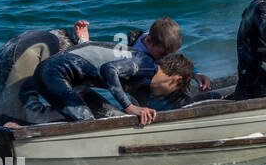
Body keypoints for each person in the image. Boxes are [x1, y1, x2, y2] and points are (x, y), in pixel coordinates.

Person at [14, 48, 195, 127]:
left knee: (91, 116)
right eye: (176, 90)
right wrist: (130, 108)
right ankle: (21, 130)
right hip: (54, 74)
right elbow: (108, 69)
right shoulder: (146, 65)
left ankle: (24, 124)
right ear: (175, 80)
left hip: (60, 75)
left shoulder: (143, 71)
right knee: (87, 123)